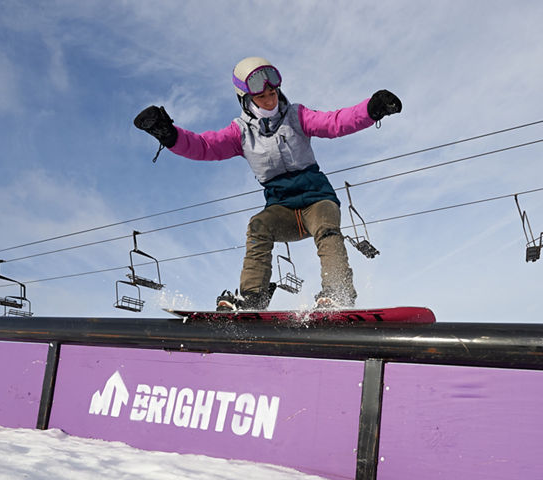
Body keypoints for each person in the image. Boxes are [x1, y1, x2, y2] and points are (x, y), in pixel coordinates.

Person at [134, 57, 402, 311]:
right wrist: (169, 135)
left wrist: (371, 109)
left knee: (326, 227)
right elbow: (204, 146)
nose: (270, 99)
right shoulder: (239, 132)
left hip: (317, 199)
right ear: (246, 98)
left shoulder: (297, 115)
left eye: (273, 93)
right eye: (262, 96)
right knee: (258, 226)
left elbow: (334, 122)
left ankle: (338, 293)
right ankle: (253, 297)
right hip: (282, 208)